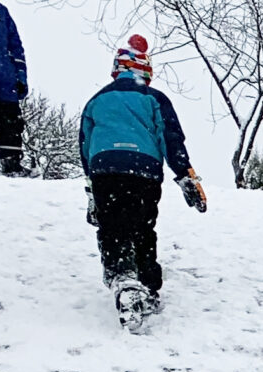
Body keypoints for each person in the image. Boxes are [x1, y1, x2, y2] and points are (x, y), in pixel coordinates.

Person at [79, 36, 205, 313]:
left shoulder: (97, 100)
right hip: (143, 172)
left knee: (112, 226)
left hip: (105, 169)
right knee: (142, 227)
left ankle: (123, 276)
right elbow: (171, 139)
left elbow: (86, 144)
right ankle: (148, 285)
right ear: (146, 71)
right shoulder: (154, 99)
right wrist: (185, 174)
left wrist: (91, 187)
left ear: (116, 70)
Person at [0, 0, 27, 176]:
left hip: (6, 79)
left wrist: (20, 77)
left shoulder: (1, 11)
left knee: (11, 121)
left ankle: (11, 162)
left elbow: (16, 47)